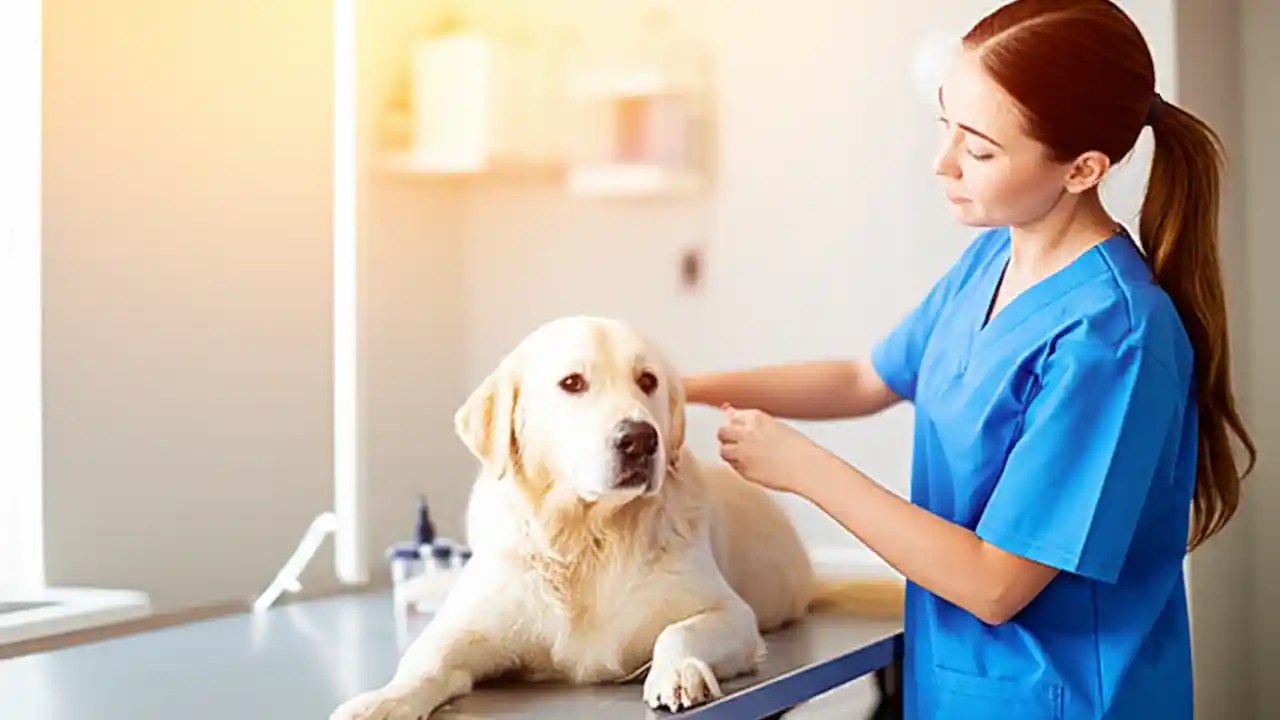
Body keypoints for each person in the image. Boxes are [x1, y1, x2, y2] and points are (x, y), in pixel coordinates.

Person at [684, 1, 1257, 718]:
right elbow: (866, 378)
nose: (943, 163)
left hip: (1058, 702)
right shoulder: (991, 258)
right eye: (945, 125)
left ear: (1082, 169)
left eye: (979, 149)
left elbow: (996, 583)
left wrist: (804, 471)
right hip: (954, 689)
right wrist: (679, 388)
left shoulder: (1113, 339)